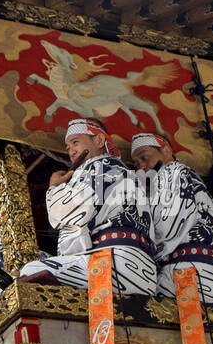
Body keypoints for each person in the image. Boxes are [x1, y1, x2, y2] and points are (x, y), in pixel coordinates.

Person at [18, 118, 157, 295]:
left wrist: (54, 188)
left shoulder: (99, 166)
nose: (72, 151)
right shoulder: (125, 173)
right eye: (68, 147)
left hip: (115, 264)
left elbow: (61, 214)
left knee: (30, 270)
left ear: (99, 141)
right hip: (145, 272)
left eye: (75, 142)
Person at [132, 132, 213, 304]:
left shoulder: (171, 171)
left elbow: (166, 228)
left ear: (166, 150)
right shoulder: (192, 179)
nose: (142, 166)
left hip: (188, 272)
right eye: (137, 164)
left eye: (145, 157)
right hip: (211, 274)